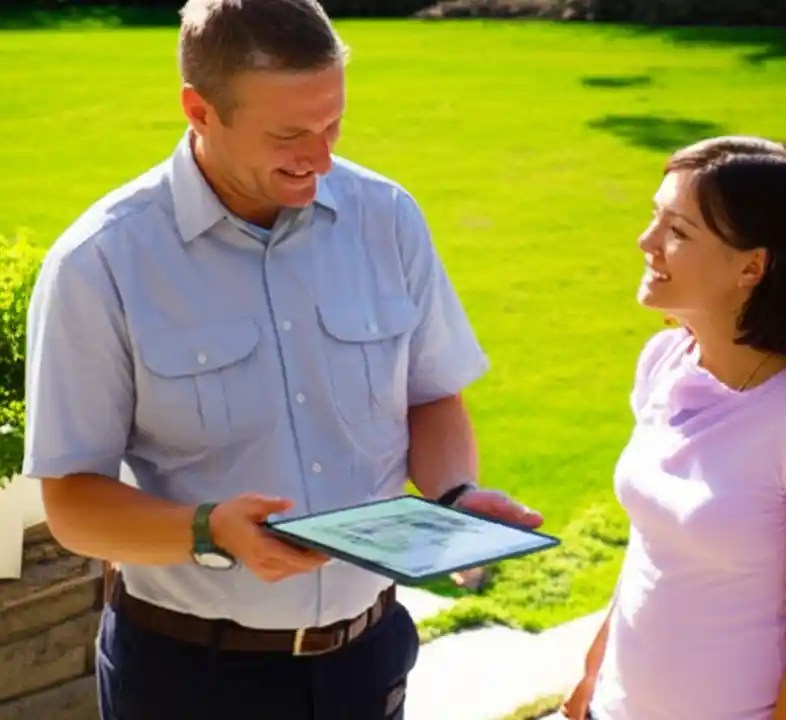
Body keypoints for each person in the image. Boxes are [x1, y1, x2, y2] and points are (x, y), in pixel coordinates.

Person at [21, 1, 540, 718]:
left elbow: (429, 394)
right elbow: (73, 504)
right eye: (290, 134)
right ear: (199, 111)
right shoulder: (99, 262)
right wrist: (207, 533)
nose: (322, 159)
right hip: (188, 680)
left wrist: (454, 499)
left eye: (333, 125)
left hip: (369, 659)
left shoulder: (386, 216)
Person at [561, 137, 786, 720]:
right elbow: (652, 549)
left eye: (678, 231)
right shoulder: (663, 363)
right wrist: (594, 668)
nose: (647, 241)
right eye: (656, 217)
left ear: (752, 266)